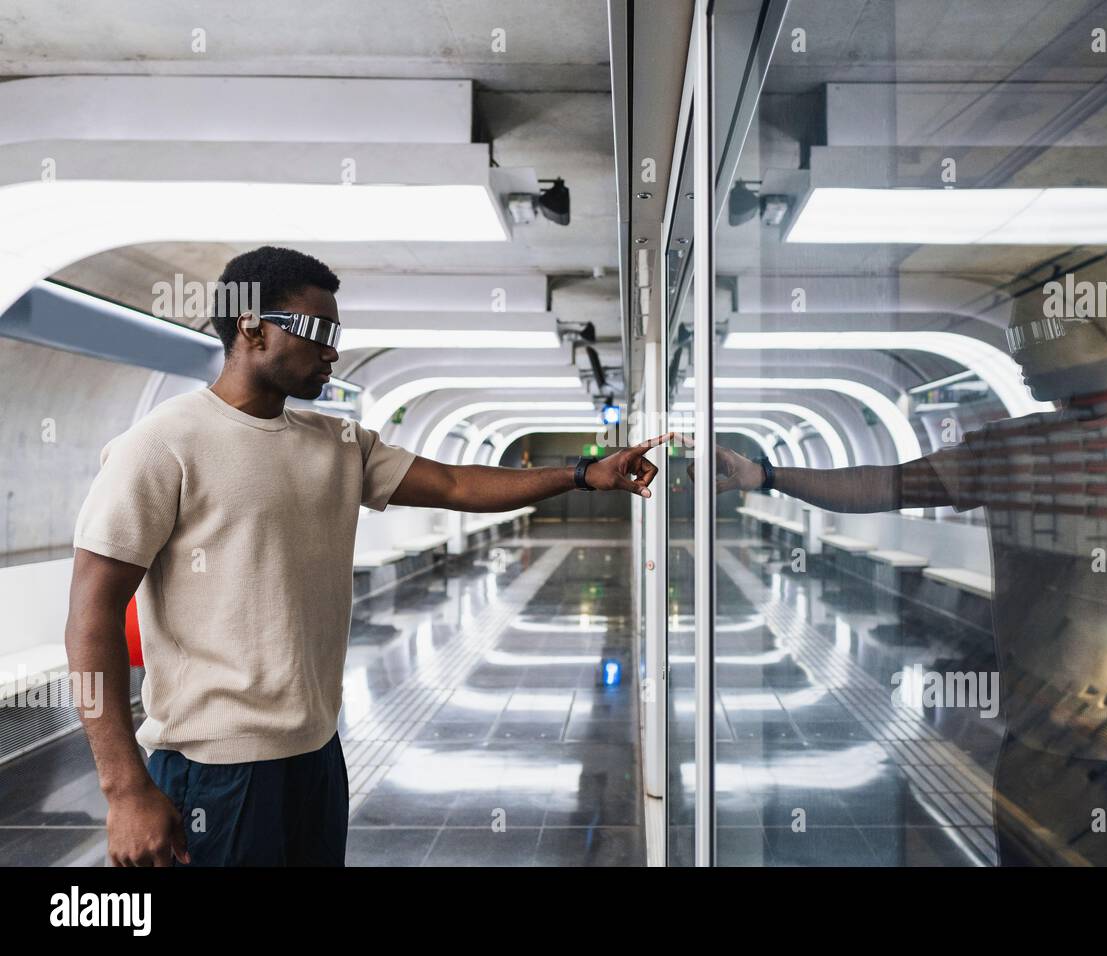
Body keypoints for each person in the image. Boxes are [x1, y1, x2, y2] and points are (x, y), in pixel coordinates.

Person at [65, 245, 671, 867]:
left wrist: (583, 473)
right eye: (318, 331)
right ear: (251, 325)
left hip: (317, 752)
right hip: (216, 767)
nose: (332, 351)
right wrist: (124, 787)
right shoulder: (162, 444)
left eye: (337, 333)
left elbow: (456, 485)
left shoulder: (339, 443)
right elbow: (91, 614)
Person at [707, 262, 1107, 865]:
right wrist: (767, 475)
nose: (1015, 360)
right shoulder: (1017, 445)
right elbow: (884, 484)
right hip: (1039, 750)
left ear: (1092, 332)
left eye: (1028, 342)